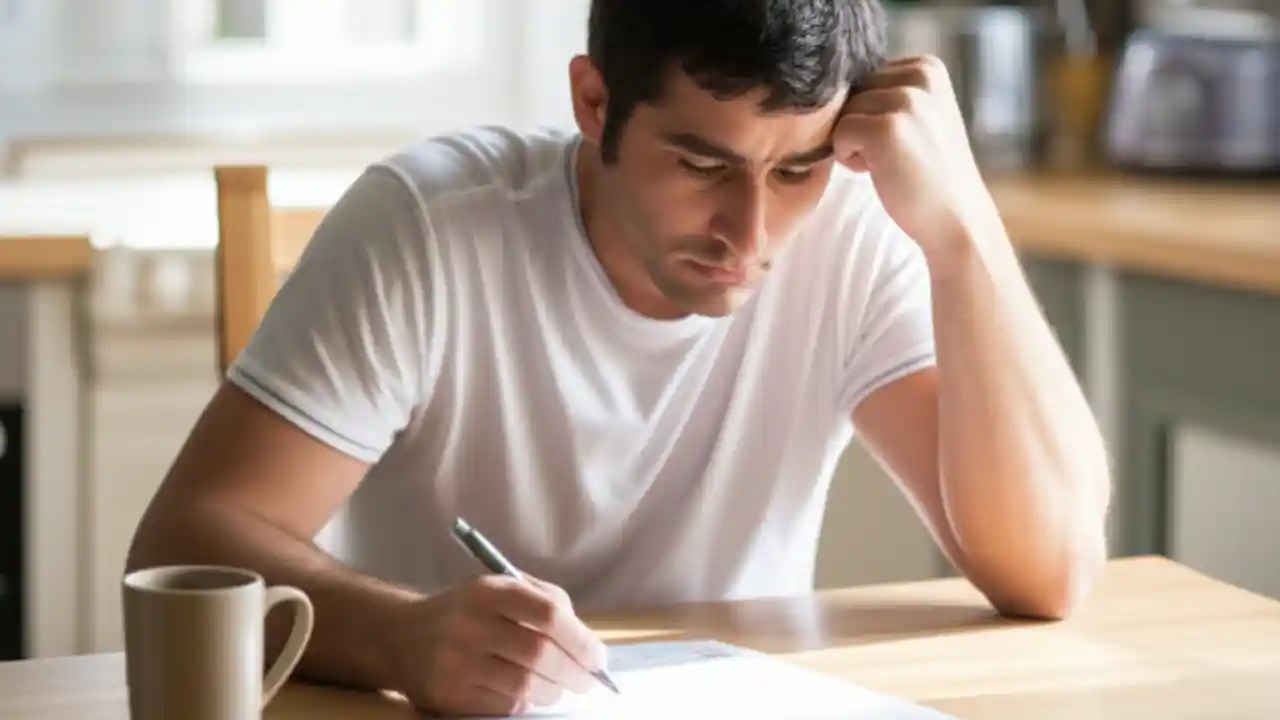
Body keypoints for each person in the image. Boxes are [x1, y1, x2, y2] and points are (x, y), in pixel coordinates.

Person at [127, 0, 1111, 715]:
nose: (751, 231)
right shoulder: (429, 227)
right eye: (701, 164)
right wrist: (403, 637)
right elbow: (184, 545)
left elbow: (1048, 570)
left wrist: (962, 231)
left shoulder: (850, 228)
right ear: (593, 103)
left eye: (796, 168)